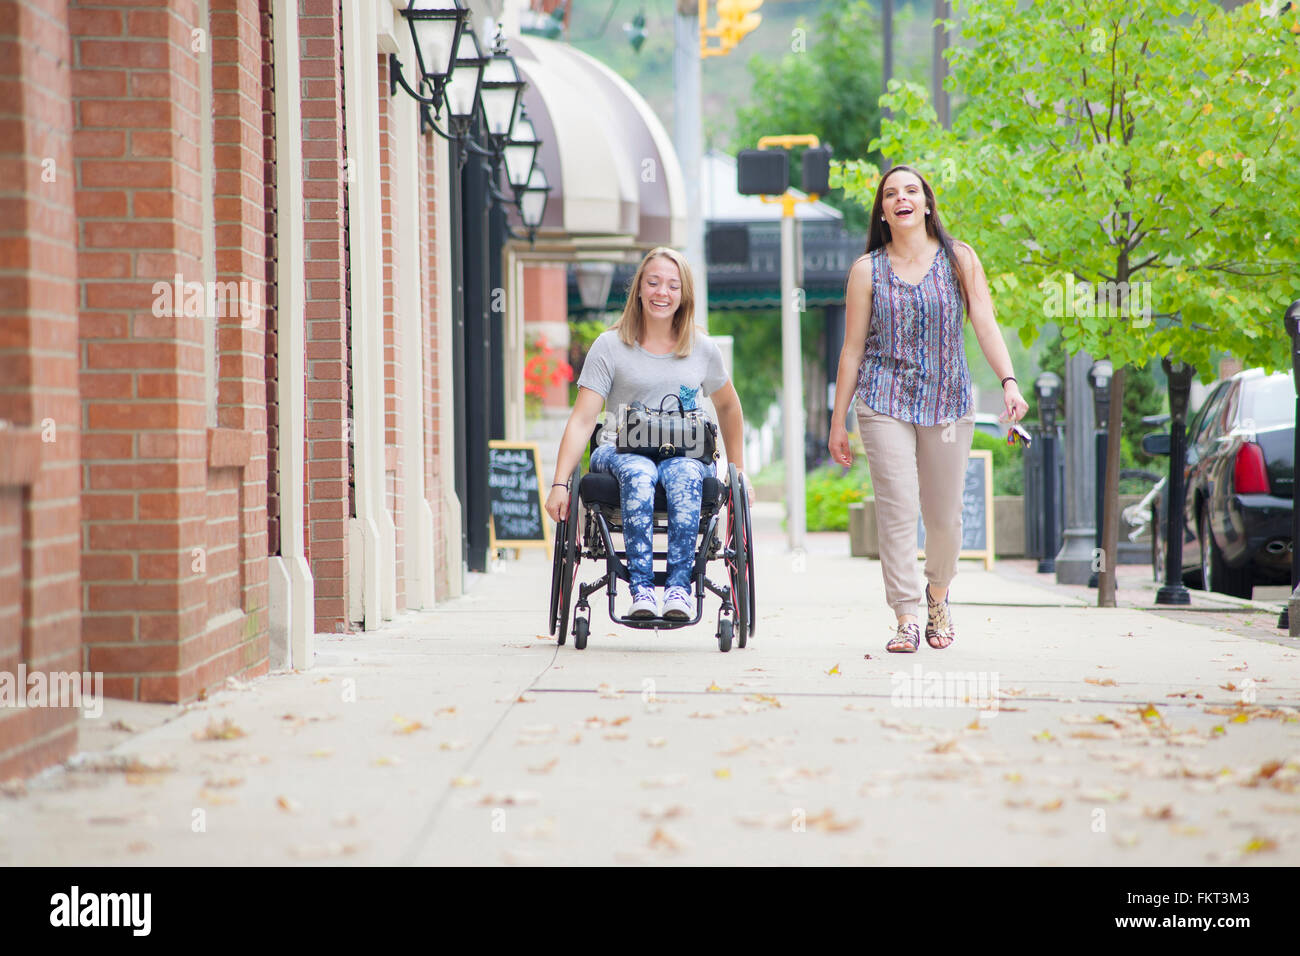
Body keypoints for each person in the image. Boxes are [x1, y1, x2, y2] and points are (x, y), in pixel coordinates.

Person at [828, 165, 1029, 653]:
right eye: (891, 193)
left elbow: (984, 321)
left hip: (947, 402)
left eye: (911, 191)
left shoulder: (960, 259)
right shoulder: (866, 270)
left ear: (927, 203)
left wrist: (1008, 381)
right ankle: (906, 617)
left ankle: (937, 594)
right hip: (882, 400)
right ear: (883, 211)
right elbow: (852, 350)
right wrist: (837, 421)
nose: (902, 198)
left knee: (944, 518)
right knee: (897, 513)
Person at [544, 247, 751, 621]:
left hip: (684, 453)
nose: (662, 292)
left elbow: (729, 408)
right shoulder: (609, 346)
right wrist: (560, 483)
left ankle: (678, 589)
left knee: (685, 473)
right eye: (653, 282)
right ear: (638, 289)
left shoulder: (702, 349)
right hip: (618, 451)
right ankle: (640, 591)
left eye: (673, 285)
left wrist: (738, 470)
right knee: (640, 471)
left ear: (684, 294)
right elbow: (581, 420)